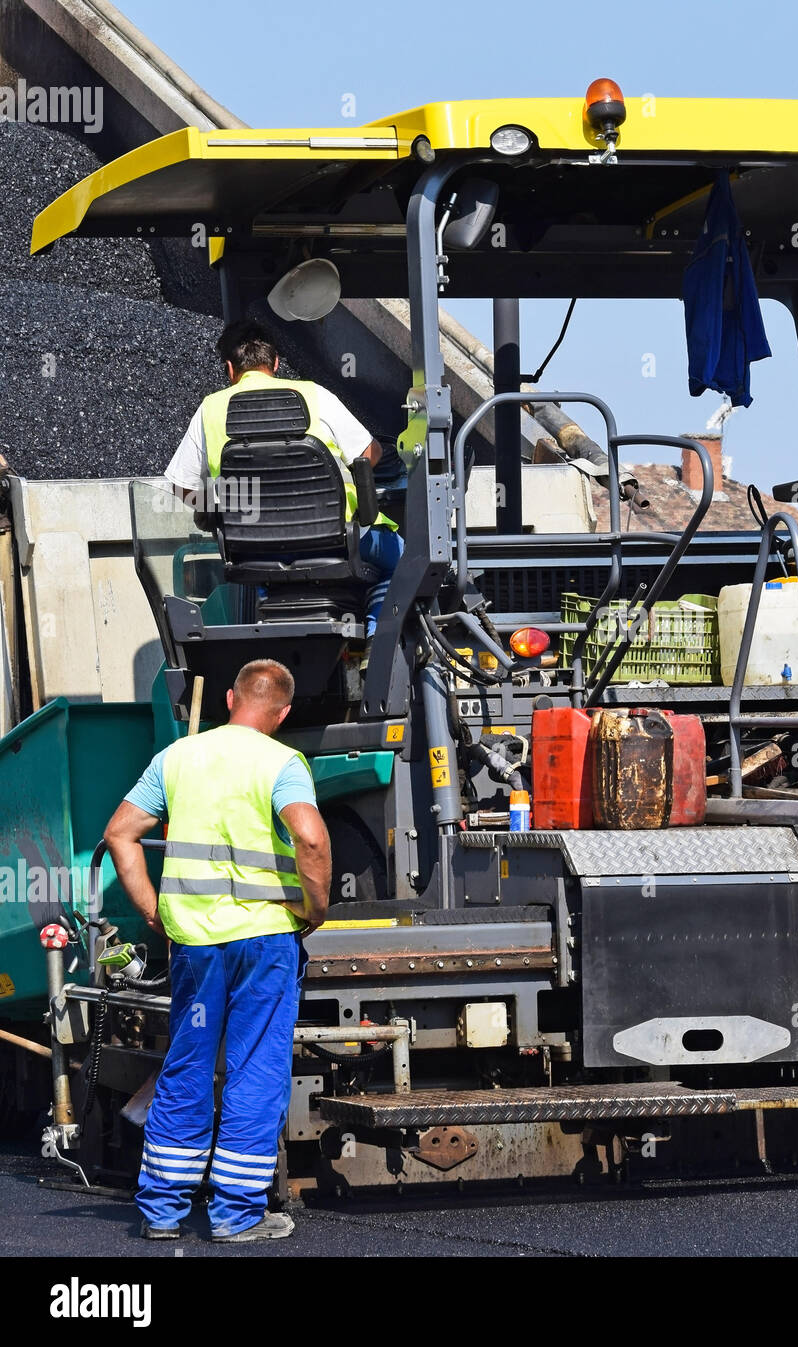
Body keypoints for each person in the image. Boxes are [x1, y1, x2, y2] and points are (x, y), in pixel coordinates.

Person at [103, 658, 331, 1242]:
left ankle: (161, 1212)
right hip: (263, 940)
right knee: (255, 1068)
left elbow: (120, 833)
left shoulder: (177, 757)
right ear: (280, 714)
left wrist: (154, 910)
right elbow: (308, 835)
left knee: (187, 1067)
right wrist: (316, 907)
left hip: (195, 944)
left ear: (230, 698)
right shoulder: (281, 762)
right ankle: (235, 1214)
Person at [165, 319, 404, 638]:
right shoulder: (314, 395)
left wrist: (219, 511)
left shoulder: (210, 410)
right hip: (337, 540)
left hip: (254, 550)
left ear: (230, 369)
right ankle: (376, 640)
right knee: (403, 558)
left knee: (268, 579)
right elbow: (369, 453)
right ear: (276, 363)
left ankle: (274, 633)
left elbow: (182, 485)